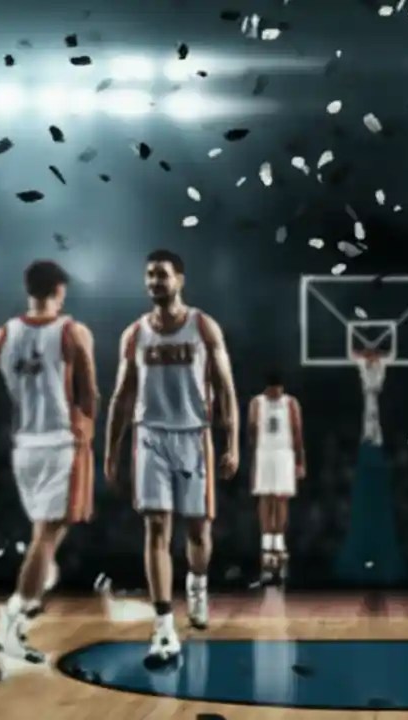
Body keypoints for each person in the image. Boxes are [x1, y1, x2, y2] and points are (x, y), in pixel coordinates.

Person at [104, 249, 240, 664]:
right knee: (156, 529)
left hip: (194, 436)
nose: (154, 282)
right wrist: (111, 451)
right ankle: (164, 627)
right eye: (149, 276)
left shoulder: (202, 327)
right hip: (150, 436)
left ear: (179, 280)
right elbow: (122, 396)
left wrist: (231, 441)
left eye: (162, 275)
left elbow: (226, 386)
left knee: (197, 532)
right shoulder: (135, 334)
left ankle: (197, 585)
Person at [0, 259, 98, 662]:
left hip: (23, 446)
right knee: (45, 537)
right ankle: (13, 621)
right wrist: (88, 433)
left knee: (50, 533)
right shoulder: (73, 332)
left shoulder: (0, 337)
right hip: (61, 442)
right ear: (59, 290)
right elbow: (90, 392)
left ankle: (41, 579)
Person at [247, 371, 306, 585]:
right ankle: (267, 543)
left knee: (280, 499)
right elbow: (252, 432)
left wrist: (300, 462)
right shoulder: (257, 402)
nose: (275, 394)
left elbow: (297, 433)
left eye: (278, 390)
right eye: (272, 391)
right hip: (265, 453)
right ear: (267, 388)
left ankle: (279, 544)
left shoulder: (290, 403)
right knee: (265, 499)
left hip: (284, 453)